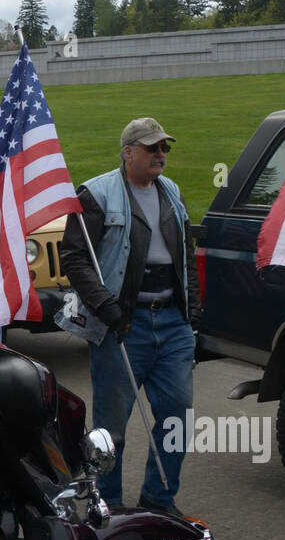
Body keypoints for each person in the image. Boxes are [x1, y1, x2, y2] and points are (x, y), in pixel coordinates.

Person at [57, 117, 201, 516]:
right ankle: (110, 506)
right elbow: (74, 256)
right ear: (128, 152)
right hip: (122, 326)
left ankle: (159, 499)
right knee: (111, 430)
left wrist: (193, 315)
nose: (161, 154)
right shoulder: (97, 194)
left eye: (164, 148)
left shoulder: (172, 192)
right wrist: (105, 304)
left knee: (178, 418)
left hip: (172, 323)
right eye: (152, 147)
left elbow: (185, 255)